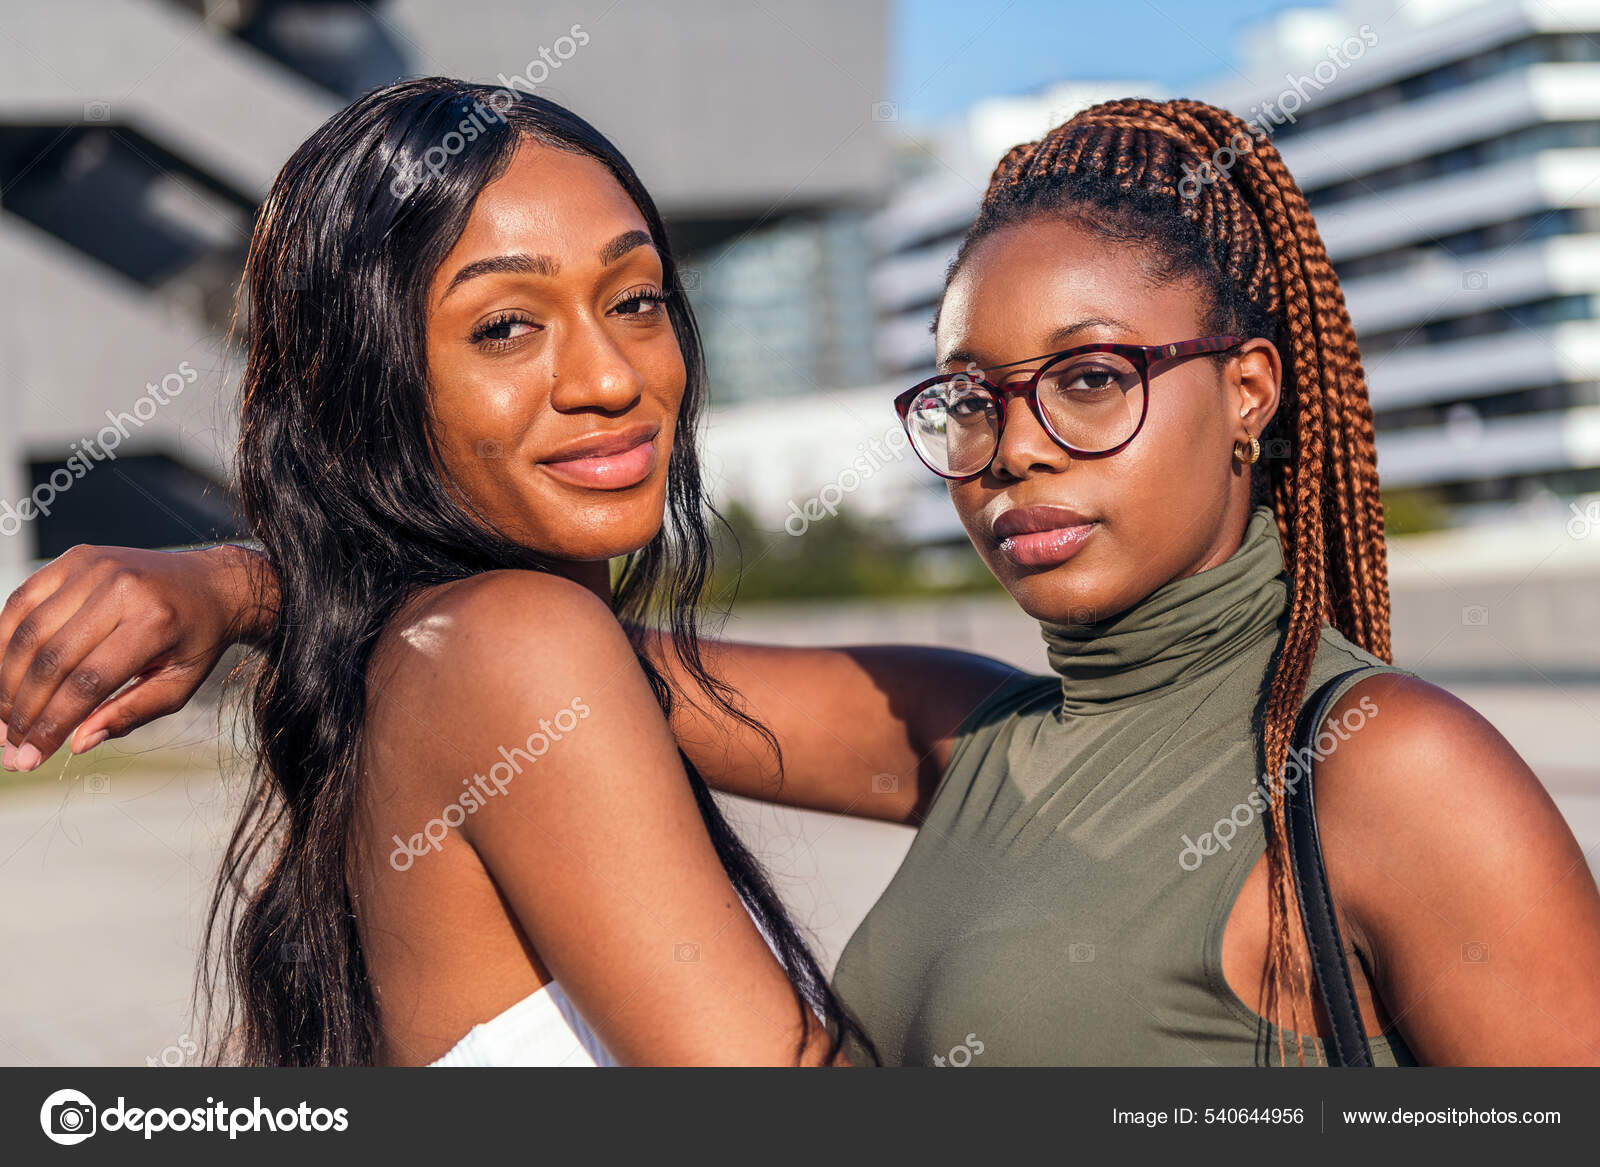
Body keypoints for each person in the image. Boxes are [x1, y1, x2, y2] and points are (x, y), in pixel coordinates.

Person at [6, 98, 1600, 1066]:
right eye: (969, 397)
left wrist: (234, 579)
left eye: (1094, 379)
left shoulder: (1393, 768)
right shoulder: (974, 735)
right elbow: (563, 669)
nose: (1016, 450)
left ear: (1250, 390)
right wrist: (230, 580)